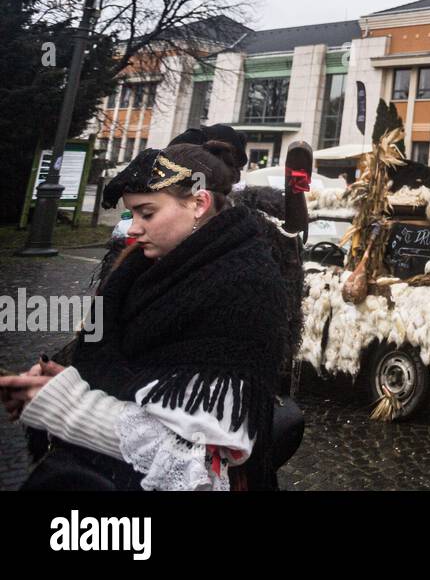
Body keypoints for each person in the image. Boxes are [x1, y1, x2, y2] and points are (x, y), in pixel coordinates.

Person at [1, 140, 288, 490]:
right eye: (131, 214)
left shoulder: (244, 286)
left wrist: (60, 403)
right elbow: (138, 377)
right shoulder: (142, 267)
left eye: (147, 213)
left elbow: (192, 458)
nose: (132, 228)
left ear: (199, 203)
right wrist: (70, 381)